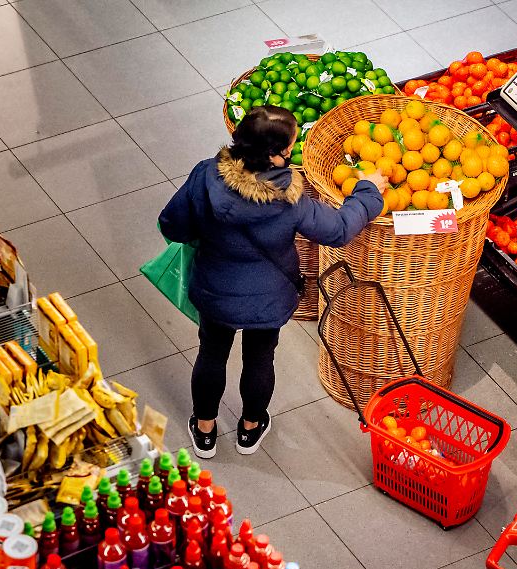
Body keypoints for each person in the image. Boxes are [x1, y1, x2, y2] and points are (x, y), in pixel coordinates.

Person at [158, 105, 386, 459]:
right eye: (289, 149)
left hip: (214, 290)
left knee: (212, 354)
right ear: (273, 156)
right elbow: (339, 230)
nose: (291, 154)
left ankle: (205, 430)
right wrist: (368, 191)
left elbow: (172, 225)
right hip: (269, 298)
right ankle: (250, 429)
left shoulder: (206, 175)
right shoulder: (291, 200)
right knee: (260, 359)